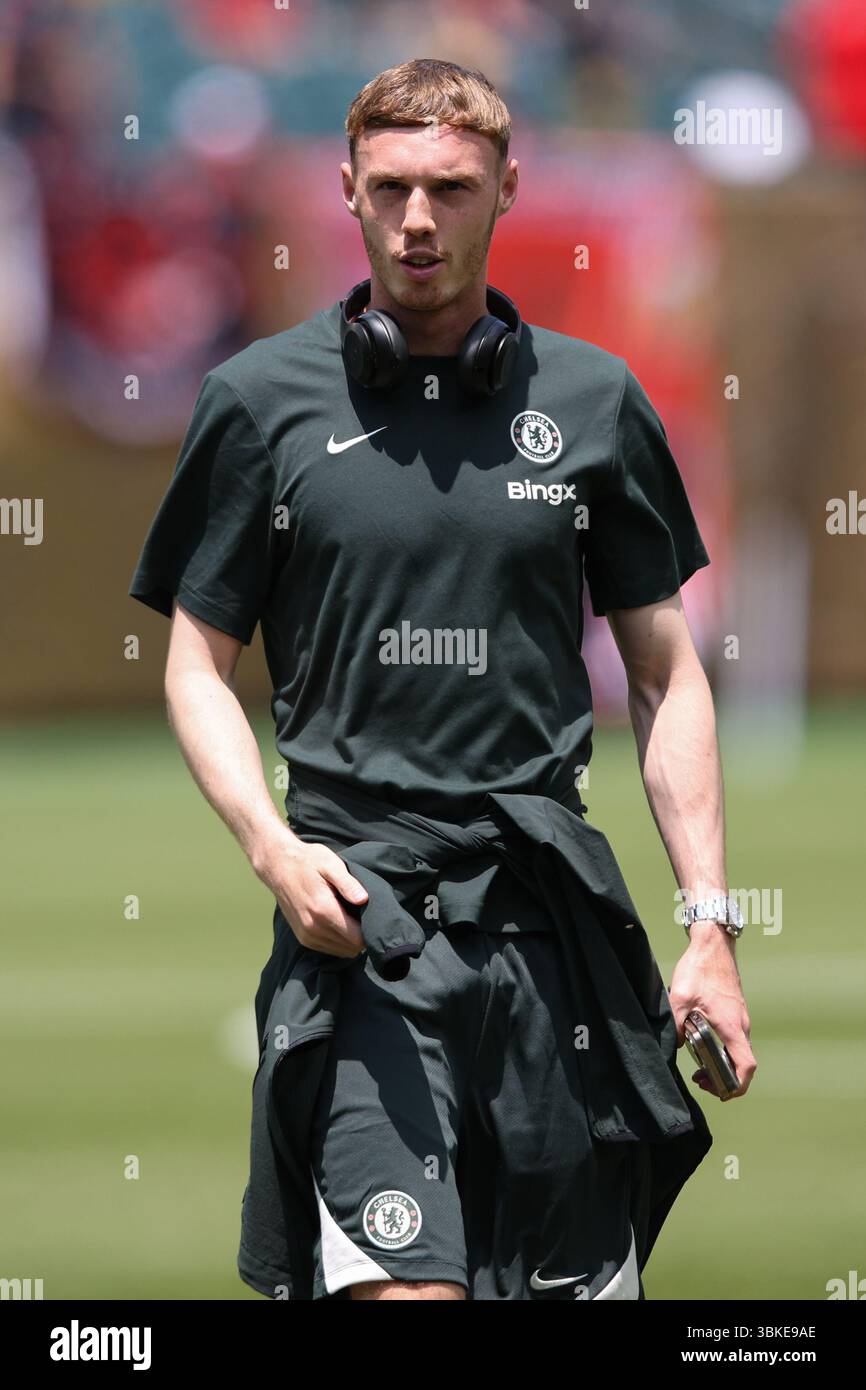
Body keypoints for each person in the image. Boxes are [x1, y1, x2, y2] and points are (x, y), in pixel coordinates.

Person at [129, 57, 756, 1302]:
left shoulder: (594, 401)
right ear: (347, 192)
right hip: (364, 928)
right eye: (393, 188)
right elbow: (195, 664)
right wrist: (269, 844)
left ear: (507, 189)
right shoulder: (255, 403)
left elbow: (665, 671)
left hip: (552, 937)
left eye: (452, 189)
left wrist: (709, 926)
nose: (419, 220)